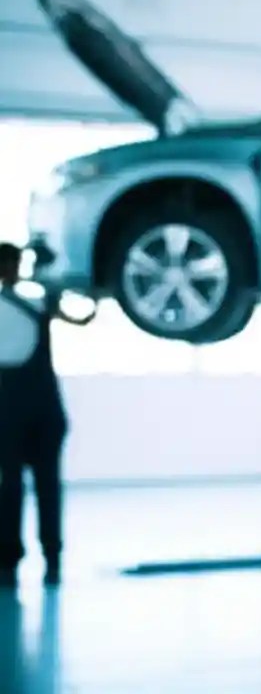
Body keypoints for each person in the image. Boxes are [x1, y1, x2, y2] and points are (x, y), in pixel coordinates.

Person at [0, 242, 96, 587]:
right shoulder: (38, 302)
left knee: (17, 487)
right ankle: (36, 558)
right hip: (34, 409)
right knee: (33, 487)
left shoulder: (38, 301)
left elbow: (82, 317)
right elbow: (83, 317)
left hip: (21, 411)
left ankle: (24, 560)